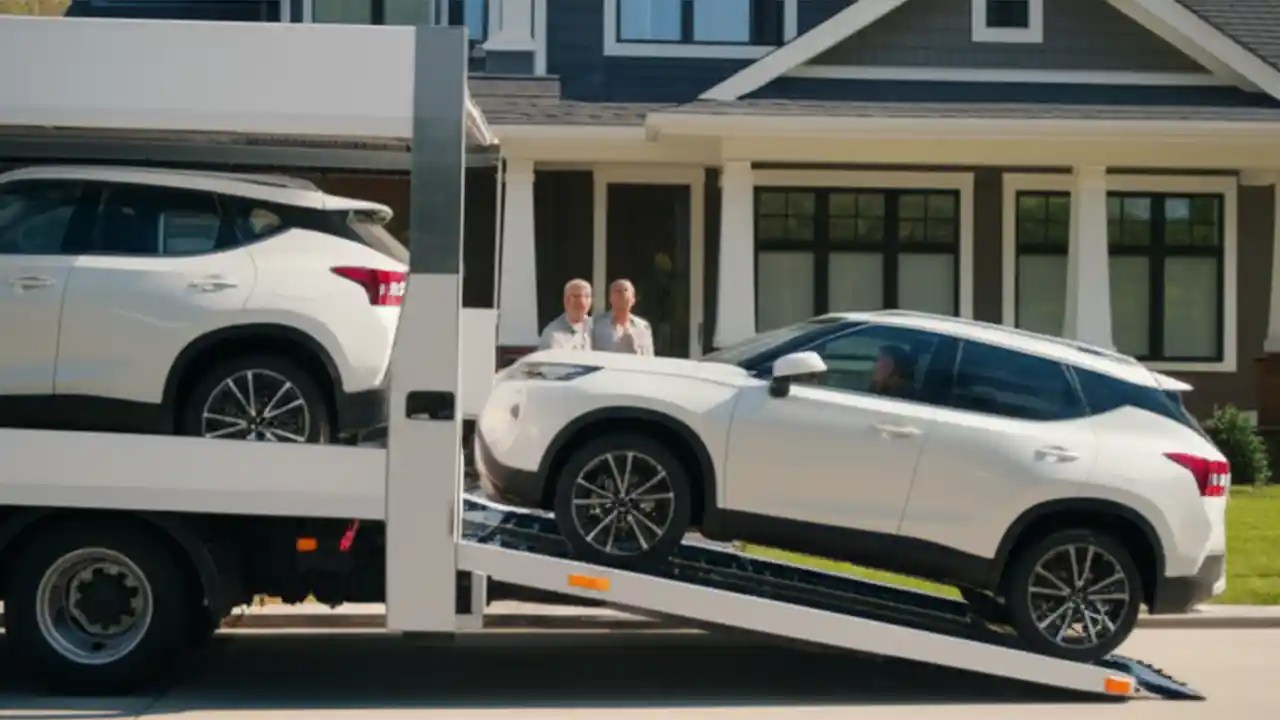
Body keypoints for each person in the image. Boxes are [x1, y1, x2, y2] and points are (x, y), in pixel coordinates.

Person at [592, 278, 654, 356]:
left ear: (633, 300)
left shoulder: (643, 326)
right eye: (617, 291)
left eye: (625, 290)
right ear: (610, 298)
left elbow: (649, 356)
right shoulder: (596, 324)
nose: (622, 294)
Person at [539, 278, 594, 350]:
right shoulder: (552, 335)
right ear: (566, 300)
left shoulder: (596, 328)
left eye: (587, 296)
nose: (583, 303)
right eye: (576, 297)